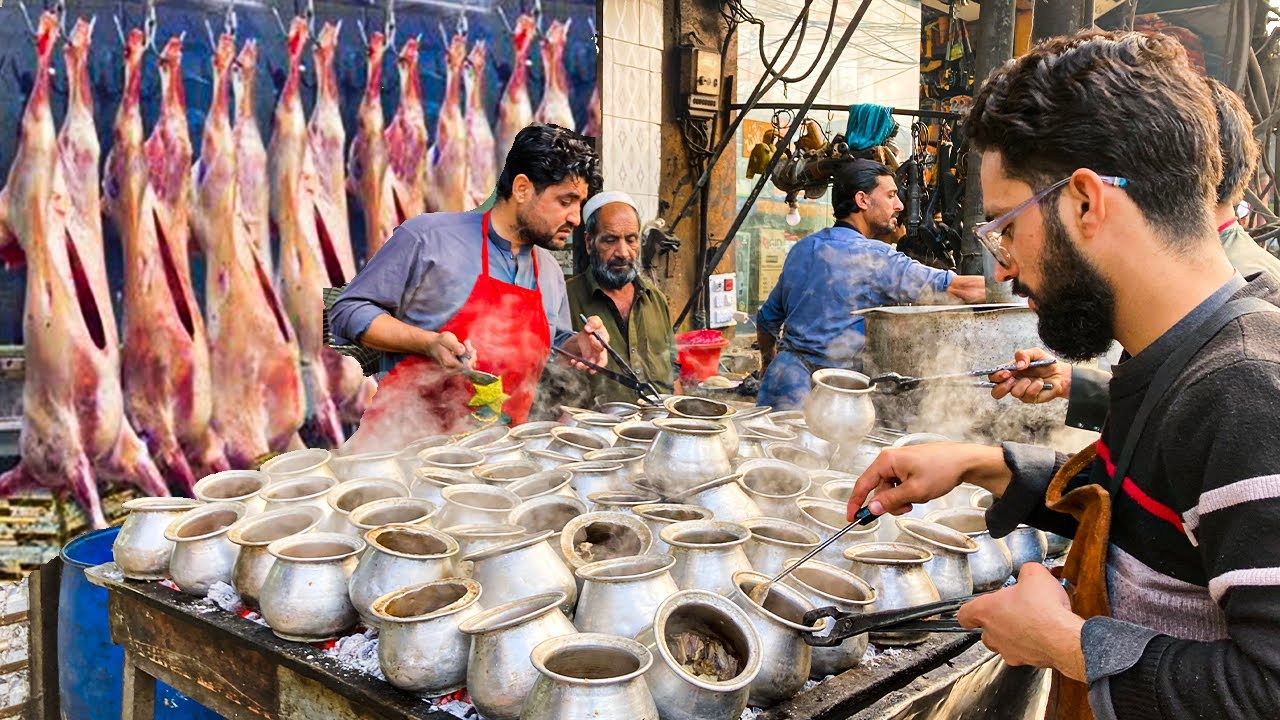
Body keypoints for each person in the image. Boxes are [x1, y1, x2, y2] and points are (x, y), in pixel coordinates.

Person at [847, 31, 1280, 720]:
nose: (1002, 264)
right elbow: (1143, 515)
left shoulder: (1245, 391)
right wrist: (980, 464)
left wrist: (1065, 644)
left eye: (1005, 227)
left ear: (1084, 201)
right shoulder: (1167, 356)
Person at [989, 76, 1280, 432]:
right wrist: (1072, 383)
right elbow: (1171, 405)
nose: (1002, 271)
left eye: (1008, 228)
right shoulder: (1193, 293)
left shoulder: (1237, 338)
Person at [328, 124, 611, 452]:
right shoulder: (428, 239)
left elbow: (554, 347)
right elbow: (347, 311)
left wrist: (577, 348)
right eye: (566, 201)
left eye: (580, 204)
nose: (576, 218)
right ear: (522, 188)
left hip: (494, 460)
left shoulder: (548, 271)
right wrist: (428, 343)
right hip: (403, 452)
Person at [754, 159, 986, 410]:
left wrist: (768, 362)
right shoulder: (876, 257)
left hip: (782, 382)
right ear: (862, 200)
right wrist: (1019, 284)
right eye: (891, 195)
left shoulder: (804, 248)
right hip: (831, 395)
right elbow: (959, 289)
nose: (899, 205)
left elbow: (767, 319)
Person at [562, 191, 680, 404]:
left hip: (656, 430)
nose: (623, 252)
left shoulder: (656, 300)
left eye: (631, 240)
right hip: (593, 433)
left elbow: (673, 375)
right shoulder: (565, 298)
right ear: (590, 243)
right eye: (610, 240)